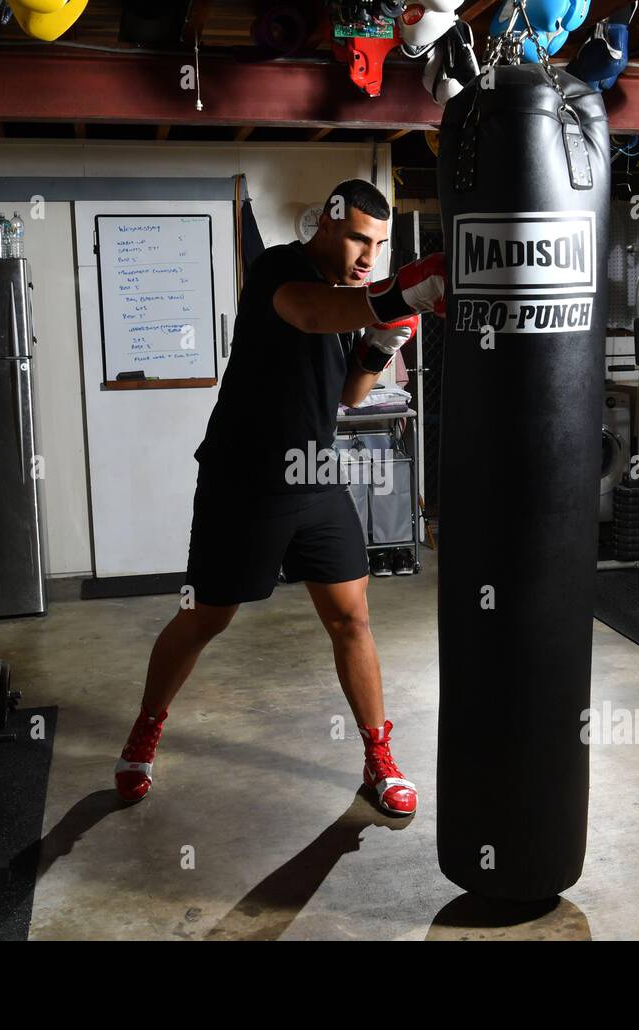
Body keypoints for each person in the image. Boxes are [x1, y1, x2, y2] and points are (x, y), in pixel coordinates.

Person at [114, 179, 445, 816]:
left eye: (377, 245)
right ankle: (145, 733)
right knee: (206, 618)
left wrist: (380, 346)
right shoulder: (280, 270)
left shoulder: (353, 296)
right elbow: (311, 313)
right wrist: (399, 295)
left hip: (315, 474)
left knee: (352, 618)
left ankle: (379, 756)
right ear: (326, 223)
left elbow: (347, 396)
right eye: (356, 238)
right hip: (244, 480)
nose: (366, 256)